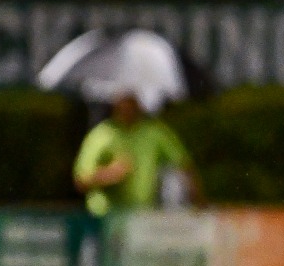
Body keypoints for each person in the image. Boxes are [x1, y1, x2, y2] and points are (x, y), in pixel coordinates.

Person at [72, 92, 201, 216]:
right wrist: (109, 174)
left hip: (142, 217)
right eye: (124, 99)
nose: (128, 106)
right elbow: (80, 181)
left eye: (132, 99)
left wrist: (199, 204)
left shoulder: (155, 132)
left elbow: (184, 166)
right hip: (104, 217)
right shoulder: (101, 135)